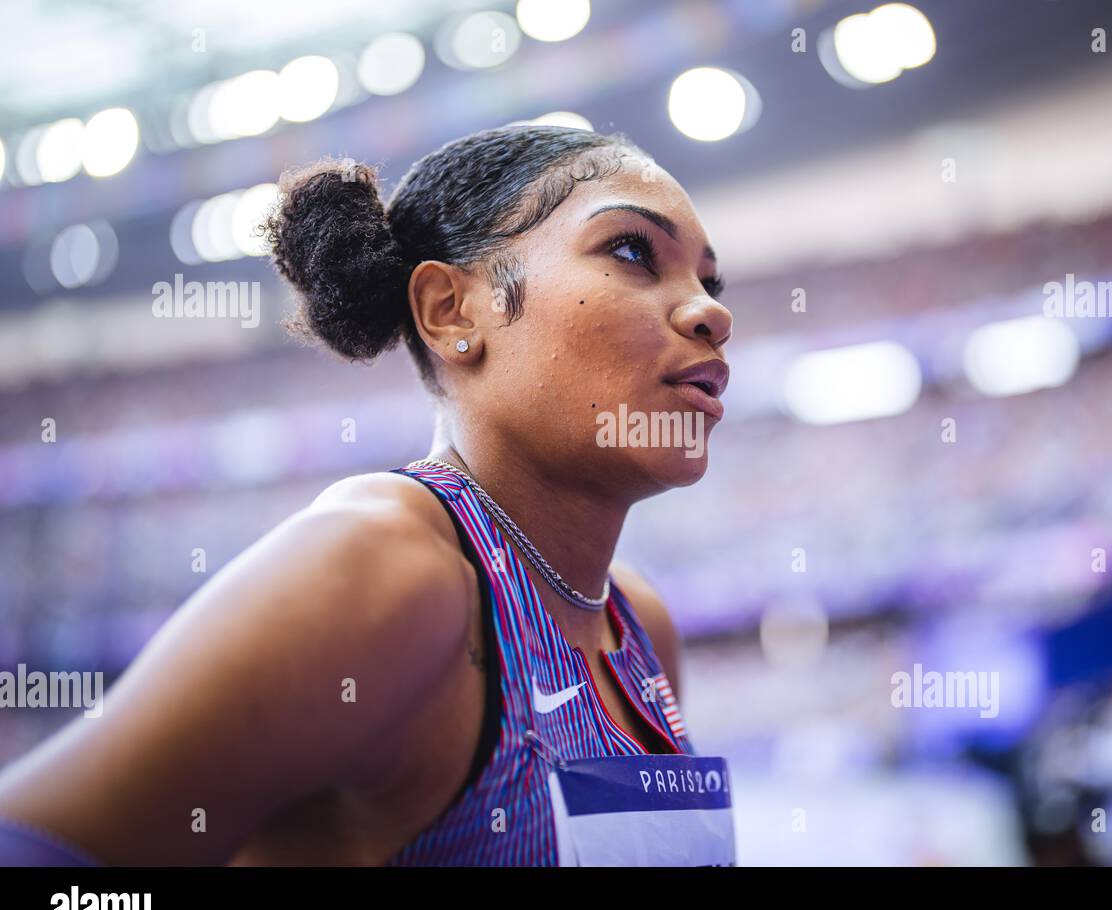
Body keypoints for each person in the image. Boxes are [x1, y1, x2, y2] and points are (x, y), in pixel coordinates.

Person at [0, 125, 736, 866]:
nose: (711, 312)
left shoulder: (638, 622)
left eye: (710, 281)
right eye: (633, 251)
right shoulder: (389, 569)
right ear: (451, 311)